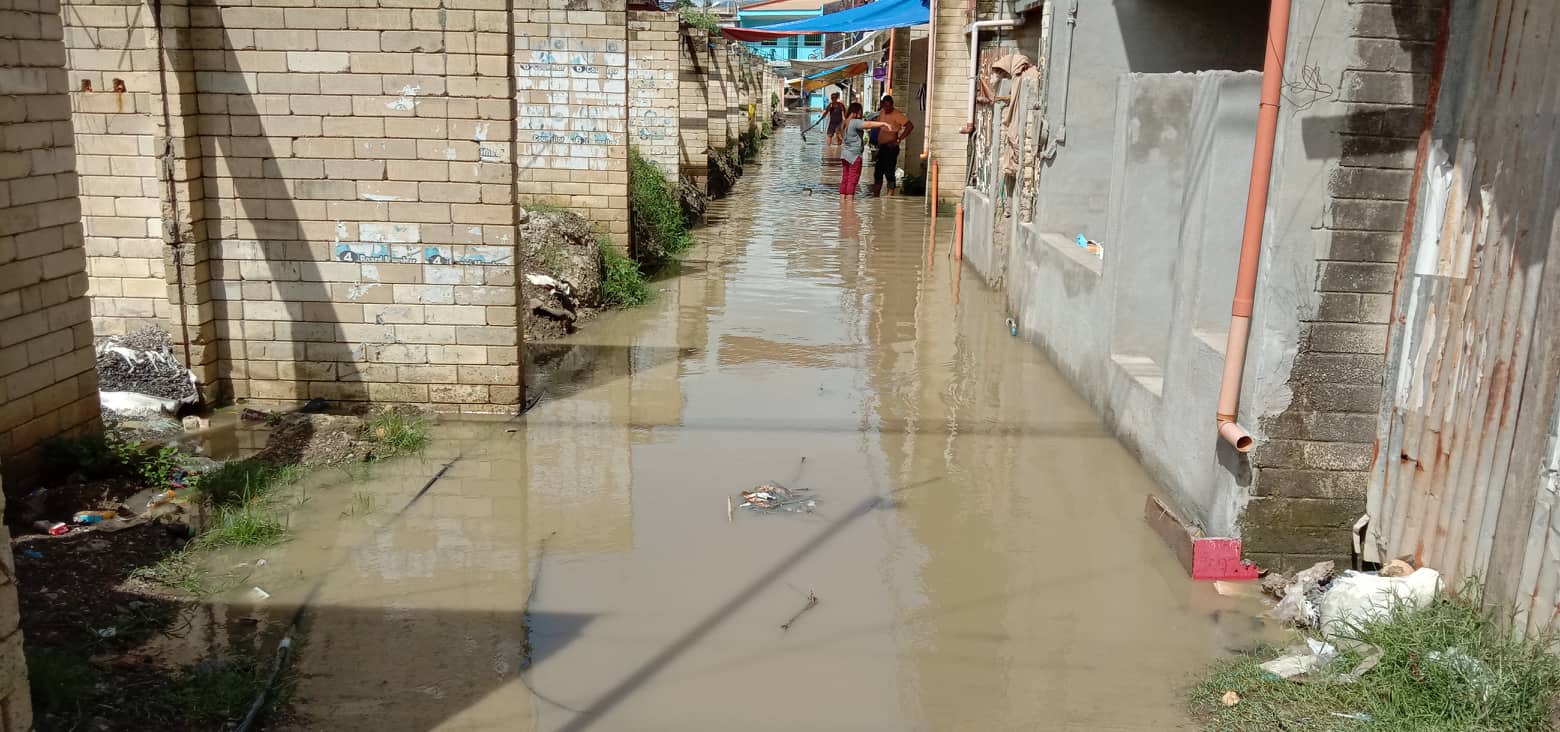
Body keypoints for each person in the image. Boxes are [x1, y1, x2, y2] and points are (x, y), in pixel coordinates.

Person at [839, 102, 896, 198]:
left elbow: (840, 136)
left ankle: (842, 203)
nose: (861, 115)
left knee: (845, 178)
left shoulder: (845, 123)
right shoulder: (854, 122)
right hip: (854, 156)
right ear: (856, 112)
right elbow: (868, 124)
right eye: (860, 112)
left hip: (845, 154)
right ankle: (849, 204)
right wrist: (883, 123)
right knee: (852, 179)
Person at [869, 95, 914, 196]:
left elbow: (910, 126)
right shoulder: (882, 112)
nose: (887, 109)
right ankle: (876, 195)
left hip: (891, 147)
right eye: (886, 106)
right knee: (878, 171)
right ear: (882, 105)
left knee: (889, 172)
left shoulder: (897, 114)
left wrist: (899, 139)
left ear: (892, 105)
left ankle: (890, 196)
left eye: (889, 106)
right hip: (881, 147)